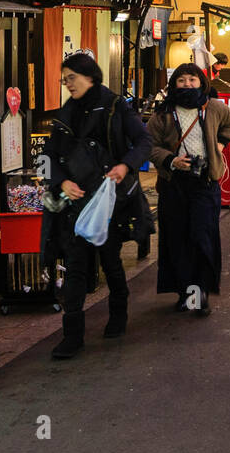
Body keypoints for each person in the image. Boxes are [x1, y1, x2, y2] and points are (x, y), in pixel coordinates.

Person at [40, 52, 152, 359]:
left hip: (110, 199)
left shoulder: (116, 106)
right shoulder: (65, 112)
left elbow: (144, 141)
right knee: (76, 264)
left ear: (90, 76)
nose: (67, 84)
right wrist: (61, 182)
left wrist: (125, 166)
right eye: (64, 79)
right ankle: (72, 335)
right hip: (76, 201)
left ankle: (118, 314)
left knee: (110, 259)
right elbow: (47, 156)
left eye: (71, 78)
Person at [148, 62, 230, 316]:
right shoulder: (163, 113)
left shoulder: (214, 108)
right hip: (173, 184)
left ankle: (200, 294)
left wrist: (219, 146)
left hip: (204, 184)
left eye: (192, 79)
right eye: (181, 80)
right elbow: (149, 145)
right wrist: (170, 160)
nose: (187, 84)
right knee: (177, 239)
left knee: (202, 237)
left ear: (201, 82)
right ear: (173, 84)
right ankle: (184, 293)